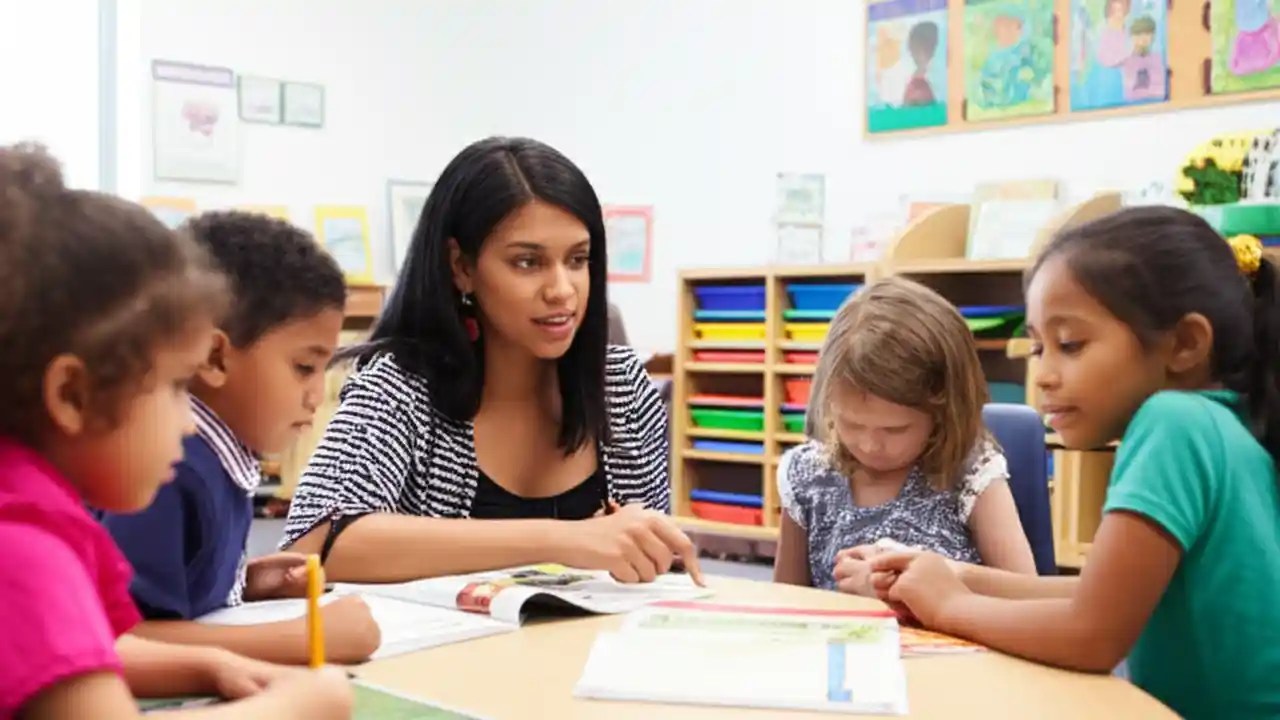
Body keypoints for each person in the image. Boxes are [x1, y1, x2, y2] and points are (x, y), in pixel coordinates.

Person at [871, 208, 1280, 719]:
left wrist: (949, 606)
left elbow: (1093, 634)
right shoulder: (1231, 426)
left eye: (1069, 345)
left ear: (1184, 344)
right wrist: (963, 578)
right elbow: (1109, 596)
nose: (1043, 374)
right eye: (1038, 348)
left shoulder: (1175, 423)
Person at [0, 143, 352, 718]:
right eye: (172, 386)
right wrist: (300, 705)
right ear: (72, 395)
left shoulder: (28, 520)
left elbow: (88, 650)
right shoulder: (22, 551)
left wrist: (205, 663)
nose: (189, 419)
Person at [281, 136, 703, 586]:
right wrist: (563, 540)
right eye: (528, 262)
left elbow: (656, 563)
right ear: (461, 267)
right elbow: (311, 549)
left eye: (578, 259)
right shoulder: (401, 384)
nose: (562, 289)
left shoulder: (621, 385)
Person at [98, 211, 380, 665]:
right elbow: (117, 638)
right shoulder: (168, 468)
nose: (316, 395)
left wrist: (242, 583)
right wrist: (308, 638)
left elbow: (173, 599)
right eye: (304, 368)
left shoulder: (223, 456)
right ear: (214, 357)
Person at [774, 277, 1036, 594]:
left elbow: (1027, 596)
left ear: (943, 412)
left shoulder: (971, 474)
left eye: (895, 430)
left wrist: (906, 587)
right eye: (851, 424)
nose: (870, 445)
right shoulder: (807, 477)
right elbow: (786, 603)